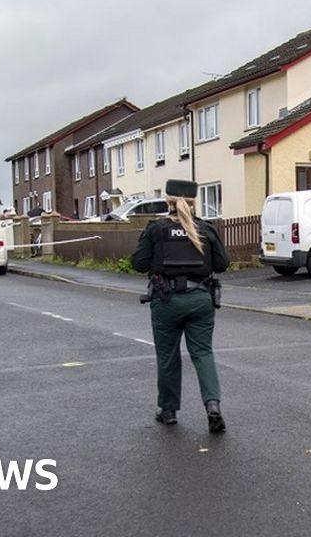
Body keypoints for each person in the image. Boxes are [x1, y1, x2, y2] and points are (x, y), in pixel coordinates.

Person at [131, 180, 229, 433]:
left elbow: (139, 264)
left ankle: (168, 410)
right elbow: (222, 264)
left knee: (168, 356)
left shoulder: (156, 229)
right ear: (194, 202)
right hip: (200, 299)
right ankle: (213, 407)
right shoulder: (206, 229)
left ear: (168, 201)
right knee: (203, 353)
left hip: (166, 301)